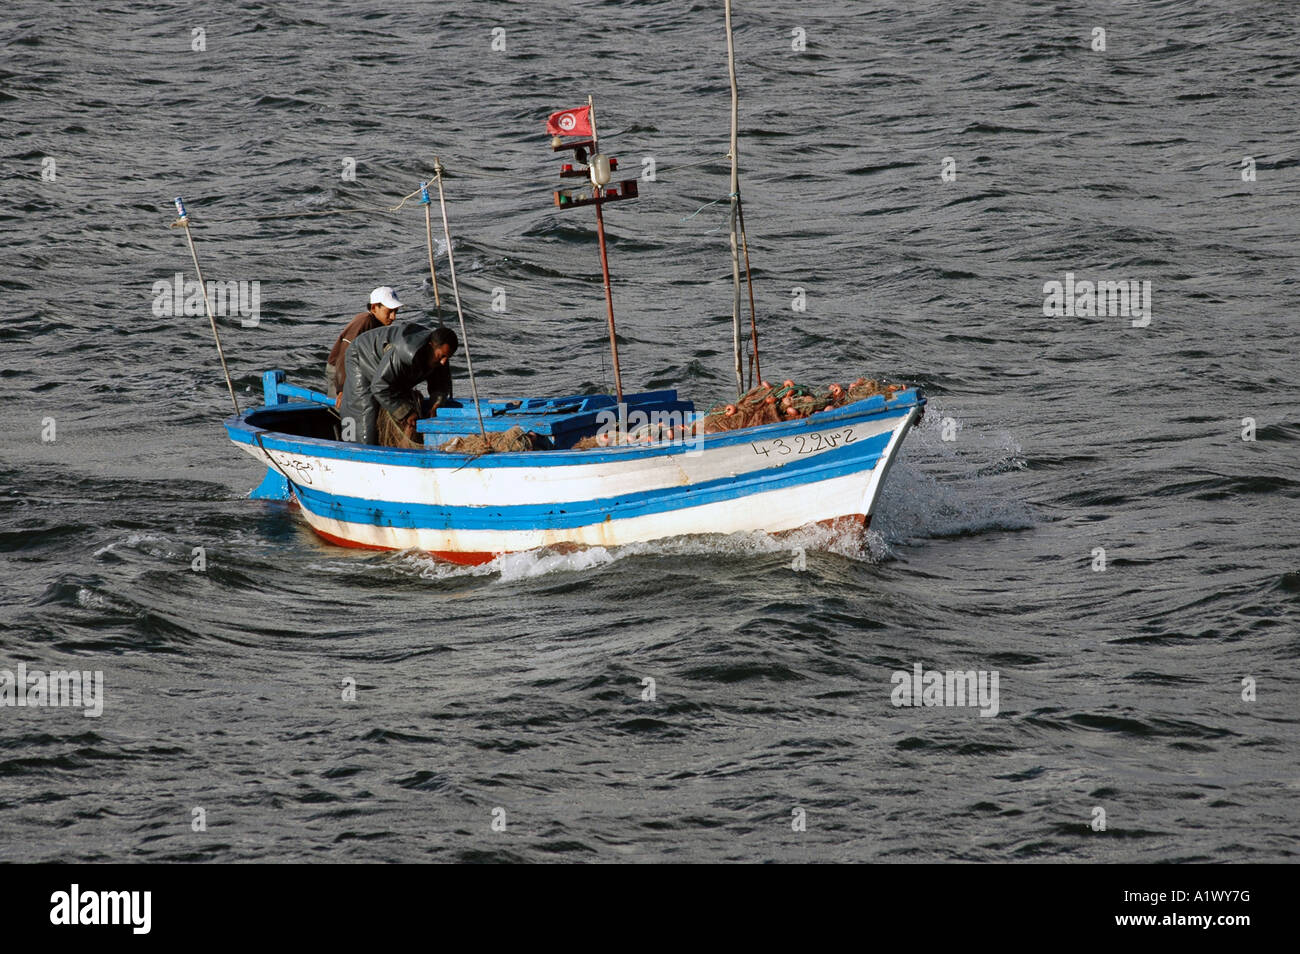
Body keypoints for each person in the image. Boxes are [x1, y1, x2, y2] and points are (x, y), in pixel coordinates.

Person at [339, 323, 459, 445]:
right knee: (365, 410)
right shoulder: (404, 352)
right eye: (441, 356)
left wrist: (437, 403)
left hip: (387, 369)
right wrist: (406, 413)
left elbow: (440, 384)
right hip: (361, 354)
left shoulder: (440, 357)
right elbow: (380, 387)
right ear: (430, 346)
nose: (444, 362)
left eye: (447, 357)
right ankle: (358, 450)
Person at [324, 286, 403, 400]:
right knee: (341, 407)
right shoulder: (364, 321)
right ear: (374, 307)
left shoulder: (381, 326)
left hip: (359, 370)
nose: (393, 317)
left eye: (396, 311)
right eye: (389, 311)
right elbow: (344, 354)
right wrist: (342, 389)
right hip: (339, 371)